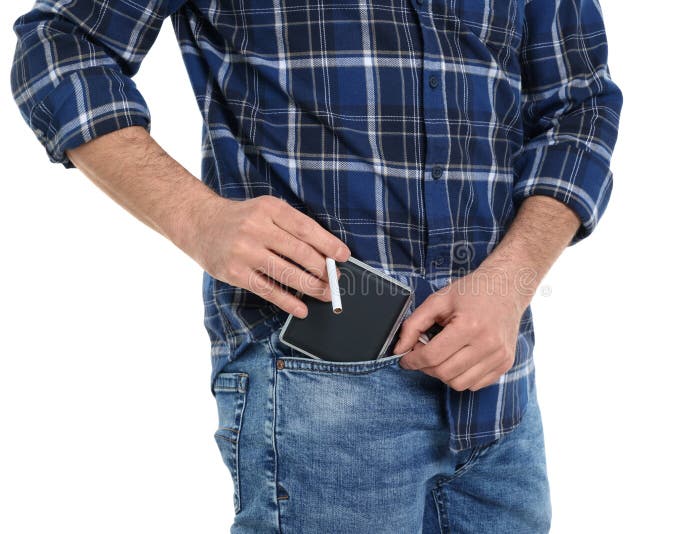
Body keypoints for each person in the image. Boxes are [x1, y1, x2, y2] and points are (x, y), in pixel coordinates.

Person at [10, 0, 622, 532]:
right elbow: (62, 44)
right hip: (320, 384)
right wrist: (198, 218)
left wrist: (509, 283)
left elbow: (580, 103)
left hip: (499, 396)